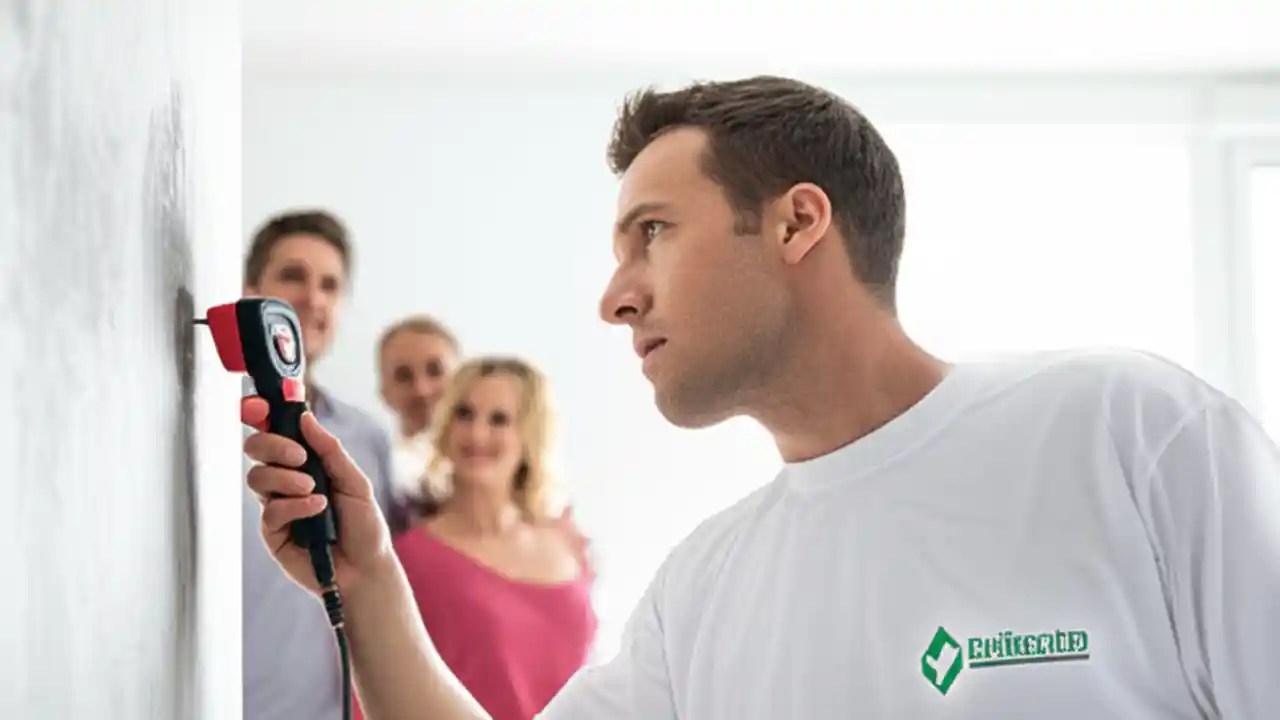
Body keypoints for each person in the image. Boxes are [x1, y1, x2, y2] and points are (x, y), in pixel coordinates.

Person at [240, 76, 1280, 719]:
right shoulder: (702, 591)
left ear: (794, 225)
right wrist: (366, 581)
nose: (614, 297)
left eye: (652, 232)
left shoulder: (1129, 436)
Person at [353, 356, 596, 720]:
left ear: (530, 434)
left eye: (499, 419)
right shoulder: (411, 559)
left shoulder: (570, 544)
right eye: (464, 414)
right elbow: (374, 688)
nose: (477, 434)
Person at [240, 209, 403, 720]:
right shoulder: (204, 418)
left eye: (330, 285)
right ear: (250, 294)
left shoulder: (369, 439)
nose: (313, 298)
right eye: (293, 276)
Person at [376, 314, 461, 506]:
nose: (422, 389)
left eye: (435, 370)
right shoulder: (381, 473)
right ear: (384, 393)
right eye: (403, 376)